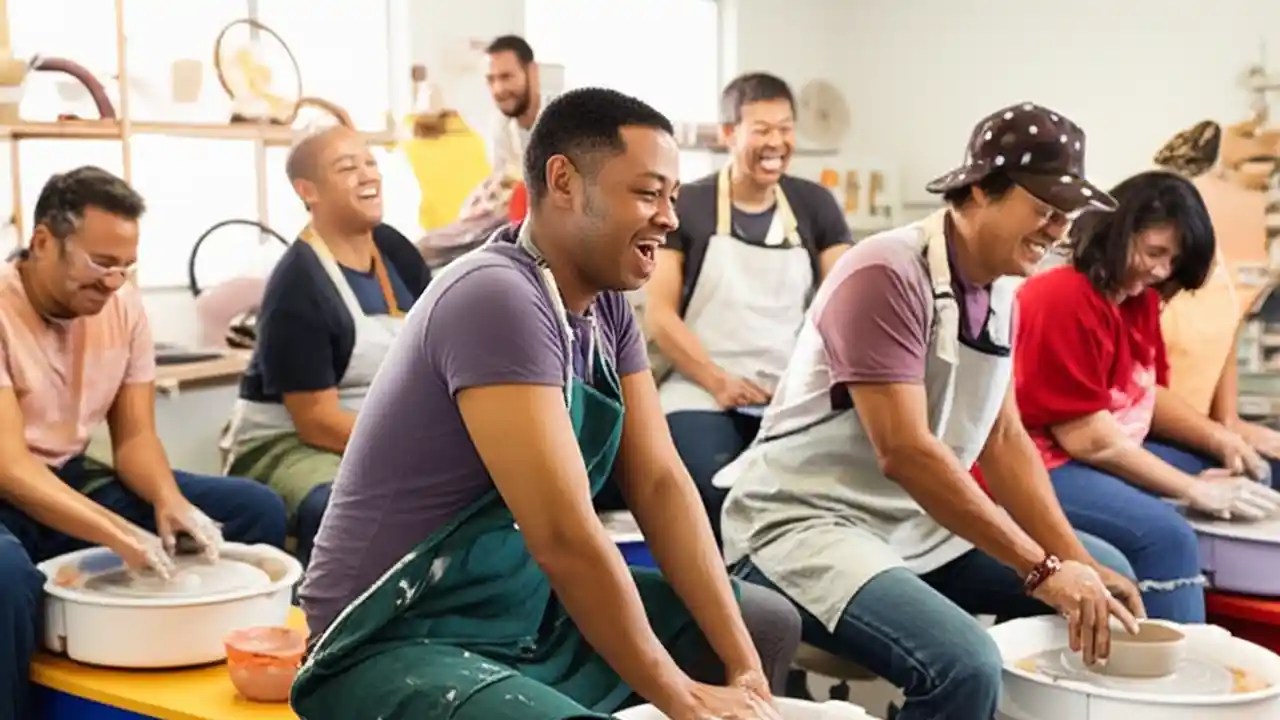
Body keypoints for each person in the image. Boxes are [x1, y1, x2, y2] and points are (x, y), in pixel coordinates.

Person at [291, 88, 801, 720]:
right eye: (647, 193)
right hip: (395, 635)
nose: (669, 217)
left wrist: (745, 670)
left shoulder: (604, 303)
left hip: (519, 605)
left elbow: (661, 482)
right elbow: (563, 536)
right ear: (563, 181)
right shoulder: (497, 296)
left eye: (671, 196)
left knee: (767, 625)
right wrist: (684, 697)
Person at [717, 103, 1145, 720]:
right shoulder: (887, 271)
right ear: (977, 191)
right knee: (963, 666)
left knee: (1105, 583)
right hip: (807, 523)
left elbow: (1004, 441)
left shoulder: (1003, 291)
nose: (1056, 229)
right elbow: (907, 452)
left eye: (1065, 216)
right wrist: (1043, 566)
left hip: (914, 528)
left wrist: (1073, 563)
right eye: (1044, 209)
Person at [0, 167, 287, 720]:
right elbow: (11, 467)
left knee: (252, 510)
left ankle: (223, 694)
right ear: (43, 242)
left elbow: (134, 438)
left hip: (66, 476)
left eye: (126, 266)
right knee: (6, 574)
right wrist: (121, 534)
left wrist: (169, 503)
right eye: (100, 263)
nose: (114, 281)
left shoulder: (122, 306)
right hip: (10, 483)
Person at [1013, 170, 1280, 624]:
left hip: (1105, 449)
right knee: (1167, 538)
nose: (1161, 270)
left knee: (1261, 470)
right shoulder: (1060, 296)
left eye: (1172, 261)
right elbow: (1087, 439)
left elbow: (1142, 398)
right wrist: (1192, 490)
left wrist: (1223, 440)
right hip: (1046, 461)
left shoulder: (1136, 300)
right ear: (1117, 231)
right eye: (1154, 252)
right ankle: (1177, 673)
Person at [643, 73, 851, 539]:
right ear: (729, 133)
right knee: (714, 491)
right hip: (699, 387)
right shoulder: (687, 203)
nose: (776, 141)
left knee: (804, 499)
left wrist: (810, 389)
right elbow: (659, 316)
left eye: (785, 127)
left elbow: (845, 304)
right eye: (761, 129)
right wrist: (718, 382)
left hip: (788, 394)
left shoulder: (813, 205)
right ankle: (725, 604)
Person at [223, 127, 430, 568]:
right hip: (288, 444)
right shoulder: (297, 283)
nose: (366, 175)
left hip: (383, 432)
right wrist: (410, 450)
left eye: (370, 162)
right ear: (307, 191)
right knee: (351, 509)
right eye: (347, 167)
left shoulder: (394, 251)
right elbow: (316, 422)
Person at [485, 34, 542, 182]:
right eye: (491, 80)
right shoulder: (499, 126)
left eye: (506, 77)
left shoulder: (567, 120)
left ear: (532, 72)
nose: (498, 90)